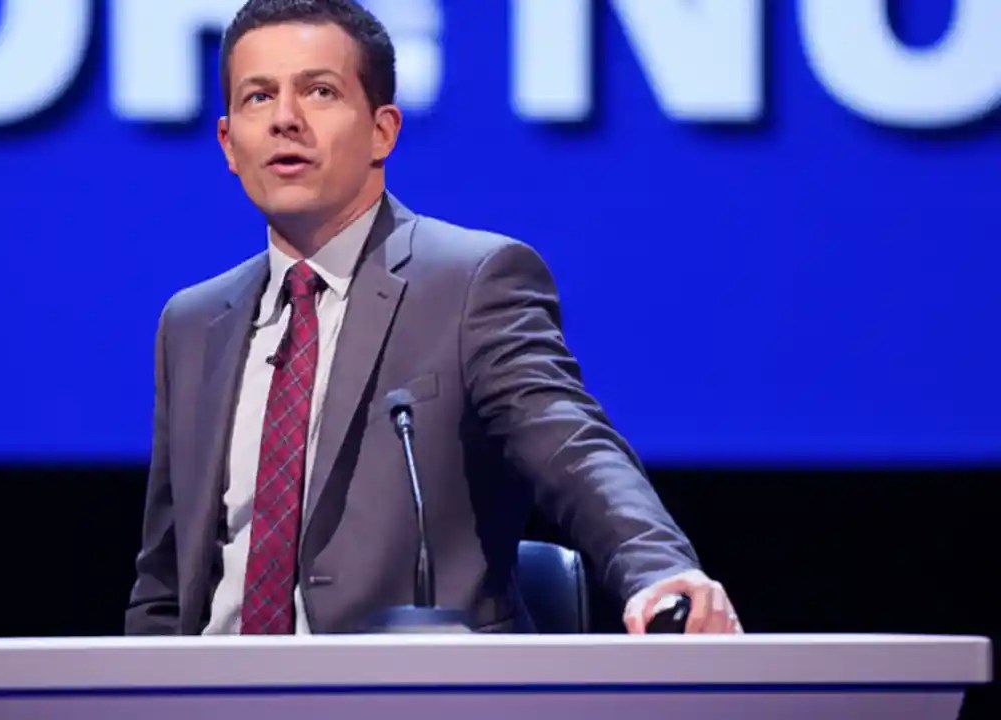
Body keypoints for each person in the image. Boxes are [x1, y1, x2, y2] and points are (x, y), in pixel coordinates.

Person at [124, 0, 740, 636]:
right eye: (258, 97)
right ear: (228, 142)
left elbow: (571, 445)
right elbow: (166, 583)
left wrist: (657, 568)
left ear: (382, 130)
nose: (285, 119)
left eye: (320, 91)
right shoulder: (194, 324)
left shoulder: (472, 282)